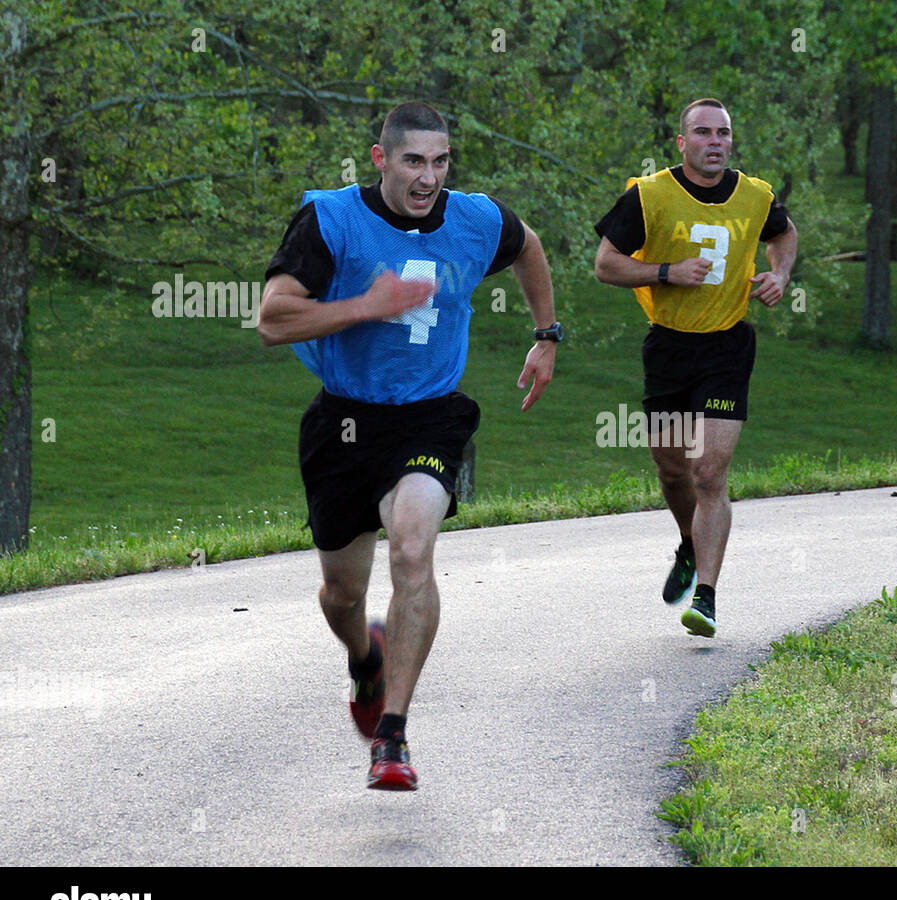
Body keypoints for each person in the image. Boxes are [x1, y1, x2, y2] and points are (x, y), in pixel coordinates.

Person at [258, 101, 562, 791]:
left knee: (414, 546)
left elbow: (530, 246)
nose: (428, 177)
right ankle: (365, 658)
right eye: (413, 161)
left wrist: (547, 336)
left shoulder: (476, 218)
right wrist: (368, 304)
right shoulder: (330, 220)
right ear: (380, 159)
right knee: (340, 594)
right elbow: (273, 320)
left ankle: (392, 737)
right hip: (342, 424)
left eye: (440, 161)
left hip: (429, 419)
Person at [592, 98, 797, 638]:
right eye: (702, 133)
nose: (714, 141)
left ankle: (705, 597)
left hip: (727, 347)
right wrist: (665, 271)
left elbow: (784, 234)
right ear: (681, 143)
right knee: (672, 470)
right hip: (669, 348)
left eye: (722, 133)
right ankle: (689, 542)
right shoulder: (650, 195)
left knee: (709, 472)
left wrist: (782, 274)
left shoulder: (755, 196)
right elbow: (606, 265)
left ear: (731, 141)